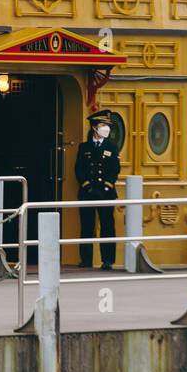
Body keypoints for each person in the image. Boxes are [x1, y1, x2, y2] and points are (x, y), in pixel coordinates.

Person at [74, 109, 120, 270]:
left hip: (106, 193)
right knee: (87, 226)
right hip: (87, 192)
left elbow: (115, 170)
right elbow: (79, 169)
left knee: (107, 226)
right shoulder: (84, 147)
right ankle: (85, 259)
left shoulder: (112, 147)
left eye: (107, 125)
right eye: (103, 125)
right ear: (94, 127)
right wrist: (87, 186)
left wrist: (106, 187)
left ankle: (107, 260)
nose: (106, 128)